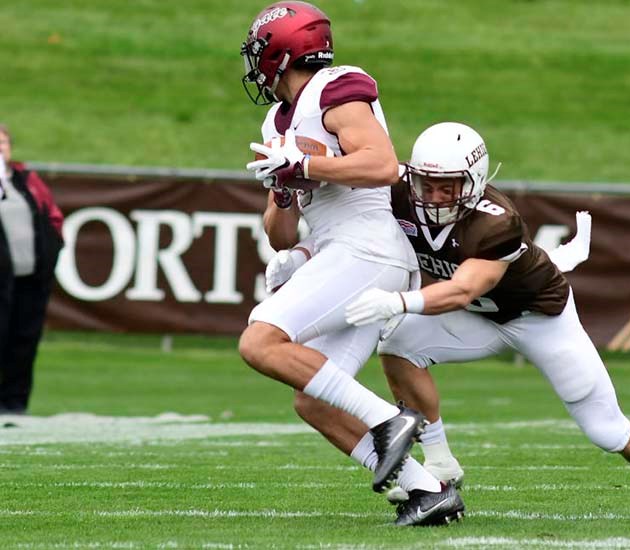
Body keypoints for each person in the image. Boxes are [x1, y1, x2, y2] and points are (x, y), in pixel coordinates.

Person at [293, 122, 630, 520]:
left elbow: (463, 289)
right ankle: (440, 462)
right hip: (476, 320)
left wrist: (398, 301)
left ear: (476, 181)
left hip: (538, 318)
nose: (436, 196)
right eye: (428, 183)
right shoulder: (399, 192)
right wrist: (302, 253)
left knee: (608, 433)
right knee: (398, 346)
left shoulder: (496, 222)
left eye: (450, 186)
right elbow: (352, 231)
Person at [237, 2, 463, 526]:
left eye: (259, 53)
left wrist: (305, 163)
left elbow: (383, 165)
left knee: (259, 340)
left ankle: (389, 419)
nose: (255, 66)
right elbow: (279, 234)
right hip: (344, 251)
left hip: (370, 247)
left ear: (280, 51)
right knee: (313, 400)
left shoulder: (337, 85)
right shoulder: (277, 119)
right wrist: (285, 189)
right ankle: (426, 492)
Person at [0, 124, 64, 415]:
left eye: (3, 143)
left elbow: (52, 215)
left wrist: (53, 247)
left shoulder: (28, 180)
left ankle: (14, 404)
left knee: (24, 341)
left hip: (31, 276)